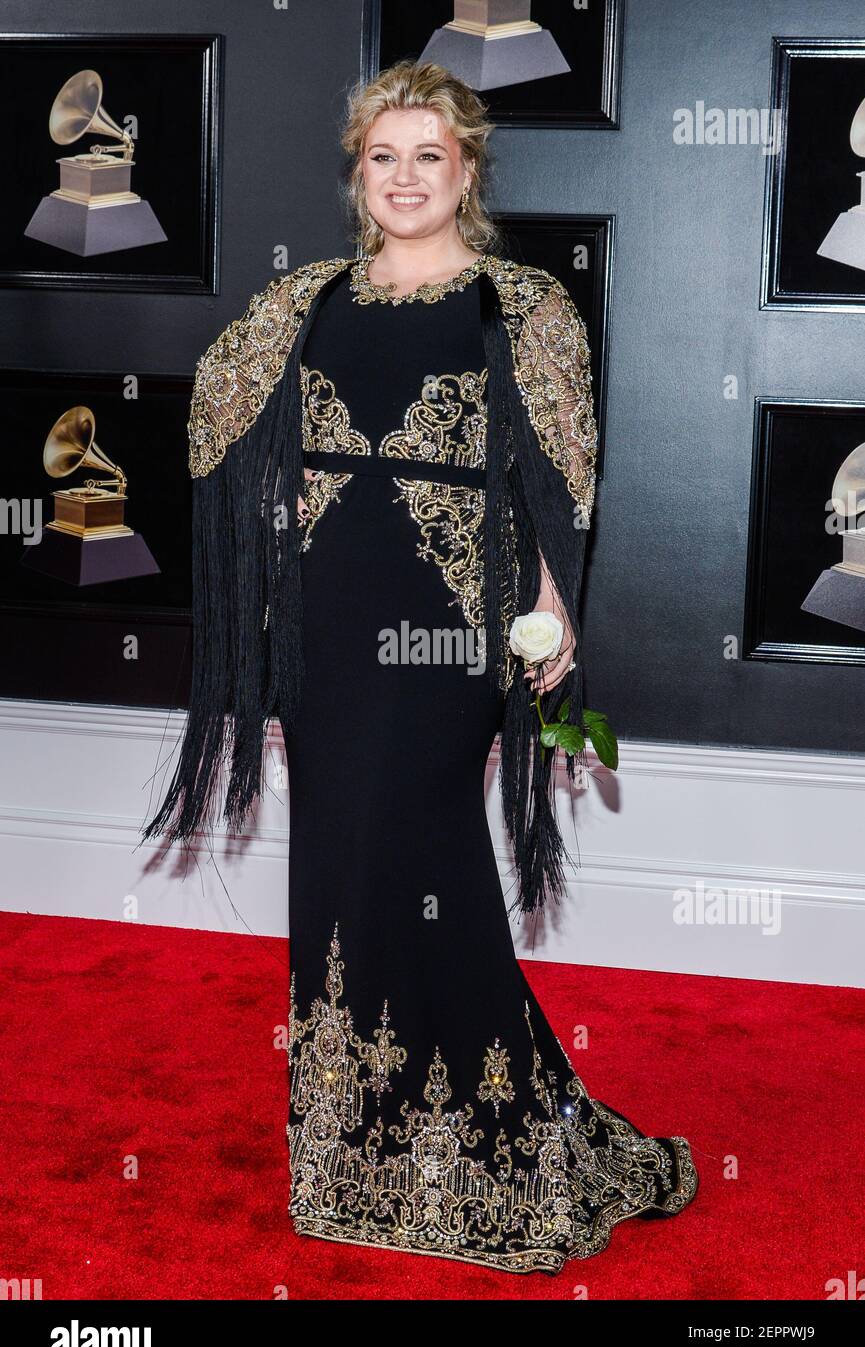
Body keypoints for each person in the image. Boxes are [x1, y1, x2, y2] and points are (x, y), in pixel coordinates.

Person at [141, 60, 698, 1274]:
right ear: (357, 173)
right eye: (382, 157)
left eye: (428, 157)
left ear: (467, 172)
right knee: (341, 859)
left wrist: (553, 608)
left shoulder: (522, 305)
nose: (404, 179)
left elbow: (559, 479)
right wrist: (279, 499)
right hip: (330, 626)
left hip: (452, 626)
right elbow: (213, 421)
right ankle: (358, 1145)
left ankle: (500, 1141)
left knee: (422, 844)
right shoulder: (305, 303)